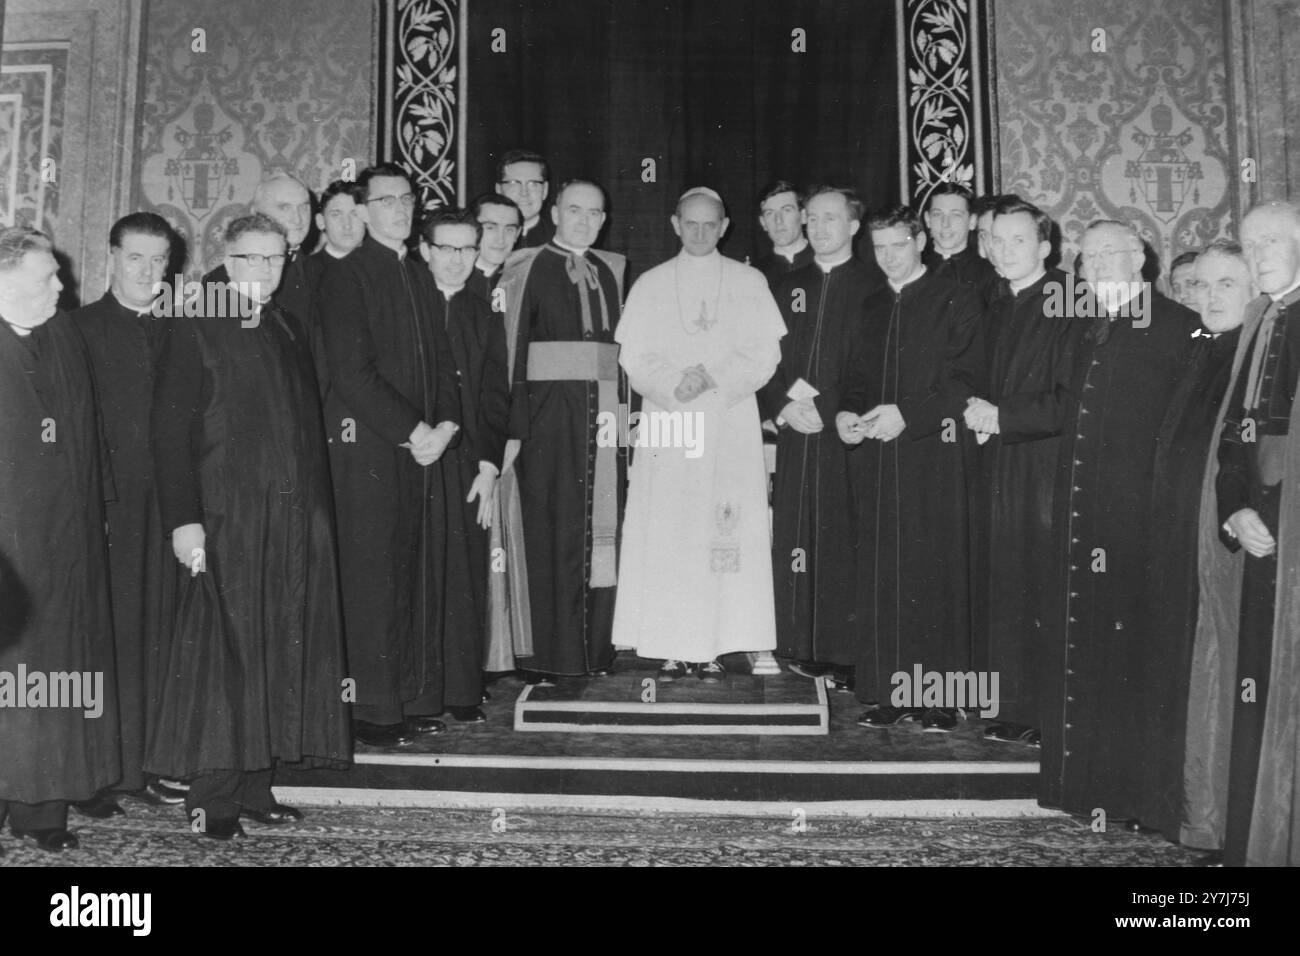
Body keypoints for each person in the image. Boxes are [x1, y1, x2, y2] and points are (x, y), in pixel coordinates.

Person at [148, 214, 350, 839]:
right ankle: (212, 798)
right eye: (252, 259)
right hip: (227, 519)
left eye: (276, 258)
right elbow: (168, 432)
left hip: (290, 522)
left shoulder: (285, 324)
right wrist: (185, 522)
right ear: (225, 258)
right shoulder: (194, 325)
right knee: (224, 660)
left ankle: (256, 786)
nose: (266, 270)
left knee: (277, 650)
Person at [1038, 218, 1196, 825]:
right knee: (1079, 646)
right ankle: (1077, 790)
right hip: (1080, 516)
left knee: (1129, 656)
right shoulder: (1081, 326)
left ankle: (1129, 798)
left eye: (1111, 254)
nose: (1097, 265)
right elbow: (1059, 403)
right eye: (1088, 257)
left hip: (1138, 523)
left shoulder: (1180, 327)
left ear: (1140, 261)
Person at [319, 163, 463, 747]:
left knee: (416, 573)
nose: (399, 209)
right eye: (385, 200)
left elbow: (446, 362)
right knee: (374, 577)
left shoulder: (418, 273)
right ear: (362, 209)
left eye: (407, 199)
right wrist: (415, 430)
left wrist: (448, 425)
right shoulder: (346, 275)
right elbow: (351, 374)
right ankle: (373, 710)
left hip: (423, 449)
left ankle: (409, 694)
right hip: (372, 450)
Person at [614, 187, 784, 679]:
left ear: (725, 226)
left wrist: (711, 377)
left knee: (723, 528)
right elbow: (633, 355)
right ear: (675, 224)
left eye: (711, 224)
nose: (701, 232)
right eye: (692, 223)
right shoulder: (650, 283)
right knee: (671, 526)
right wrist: (673, 382)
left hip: (728, 420)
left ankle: (723, 640)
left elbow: (764, 354)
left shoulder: (749, 281)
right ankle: (670, 640)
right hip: (671, 420)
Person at [837, 205, 984, 732]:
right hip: (879, 459)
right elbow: (854, 376)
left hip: (935, 454)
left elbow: (967, 377)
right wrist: (846, 414)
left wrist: (909, 414)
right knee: (885, 576)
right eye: (880, 249)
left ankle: (943, 698)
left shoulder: (958, 296)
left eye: (899, 245)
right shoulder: (871, 304)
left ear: (919, 241)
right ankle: (891, 692)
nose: (890, 257)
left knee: (936, 573)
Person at [1185, 201, 1300, 866]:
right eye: (1251, 243)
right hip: (1257, 533)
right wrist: (1234, 510)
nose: (1259, 254)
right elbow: (1235, 434)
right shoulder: (1262, 318)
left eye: (1273, 241)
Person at [0, 226, 120, 852]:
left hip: (63, 543)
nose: (62, 286)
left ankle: (41, 808)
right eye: (48, 276)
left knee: (50, 676)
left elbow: (88, 430)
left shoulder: (62, 332)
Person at [71, 213, 187, 818]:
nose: (148, 271)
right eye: (136, 258)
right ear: (112, 257)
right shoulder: (79, 329)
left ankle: (150, 766)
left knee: (164, 635)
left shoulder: (183, 329)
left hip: (170, 508)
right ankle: (98, 773)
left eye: (159, 260)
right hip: (110, 509)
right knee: (106, 640)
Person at [1137, 241, 1250, 843]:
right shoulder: (1200, 350)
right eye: (1200, 286)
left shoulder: (1255, 358)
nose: (1208, 297)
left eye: (1225, 284)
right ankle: (1192, 811)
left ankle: (1220, 821)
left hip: (1227, 547)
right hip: (1183, 541)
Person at [964, 198, 1085, 747]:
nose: (1005, 251)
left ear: (1045, 247)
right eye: (997, 240)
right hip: (996, 462)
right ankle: (1009, 706)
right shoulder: (994, 299)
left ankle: (1043, 713)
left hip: (1043, 466)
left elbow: (1074, 397)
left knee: (1040, 586)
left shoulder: (1069, 298)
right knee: (1003, 583)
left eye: (1019, 241)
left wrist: (1001, 416)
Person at [495, 178, 626, 681]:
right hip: (547, 422)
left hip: (603, 415)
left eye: (595, 213)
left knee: (598, 529)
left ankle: (594, 651)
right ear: (554, 212)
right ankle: (550, 655)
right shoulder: (525, 268)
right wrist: (515, 428)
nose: (586, 221)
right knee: (551, 529)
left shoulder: (610, 271)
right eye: (575, 210)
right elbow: (511, 354)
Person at [760, 186, 874, 685]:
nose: (820, 227)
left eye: (832, 219)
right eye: (813, 218)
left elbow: (879, 366)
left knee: (847, 535)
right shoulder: (786, 286)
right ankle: (799, 642)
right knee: (797, 534)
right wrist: (782, 405)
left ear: (853, 226)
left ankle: (846, 652)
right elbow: (762, 359)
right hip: (797, 432)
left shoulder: (875, 285)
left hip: (851, 433)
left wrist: (833, 409)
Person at [417, 207, 512, 722]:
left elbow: (496, 396)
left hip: (467, 463)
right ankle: (417, 695)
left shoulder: (483, 312)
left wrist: (488, 467)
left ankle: (459, 690)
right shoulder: (406, 303)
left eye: (467, 249)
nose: (457, 260)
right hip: (411, 457)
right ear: (426, 250)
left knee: (463, 576)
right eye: (446, 248)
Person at [922, 183, 1000, 306]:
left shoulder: (990, 275)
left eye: (956, 215)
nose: (945, 224)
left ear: (972, 221)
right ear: (927, 220)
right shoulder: (914, 268)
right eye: (937, 214)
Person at [754, 181, 813, 286]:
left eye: (786, 210)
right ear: (763, 222)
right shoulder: (754, 274)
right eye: (770, 213)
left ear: (803, 216)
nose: (778, 220)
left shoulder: (829, 264)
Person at [468, 192, 523, 302]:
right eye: (490, 228)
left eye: (509, 230)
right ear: (470, 228)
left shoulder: (523, 282)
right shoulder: (450, 278)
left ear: (517, 234)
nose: (500, 239)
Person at [496, 149, 551, 249]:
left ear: (545, 190)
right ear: (499, 189)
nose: (524, 193)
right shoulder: (480, 239)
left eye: (533, 184)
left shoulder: (560, 240)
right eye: (514, 184)